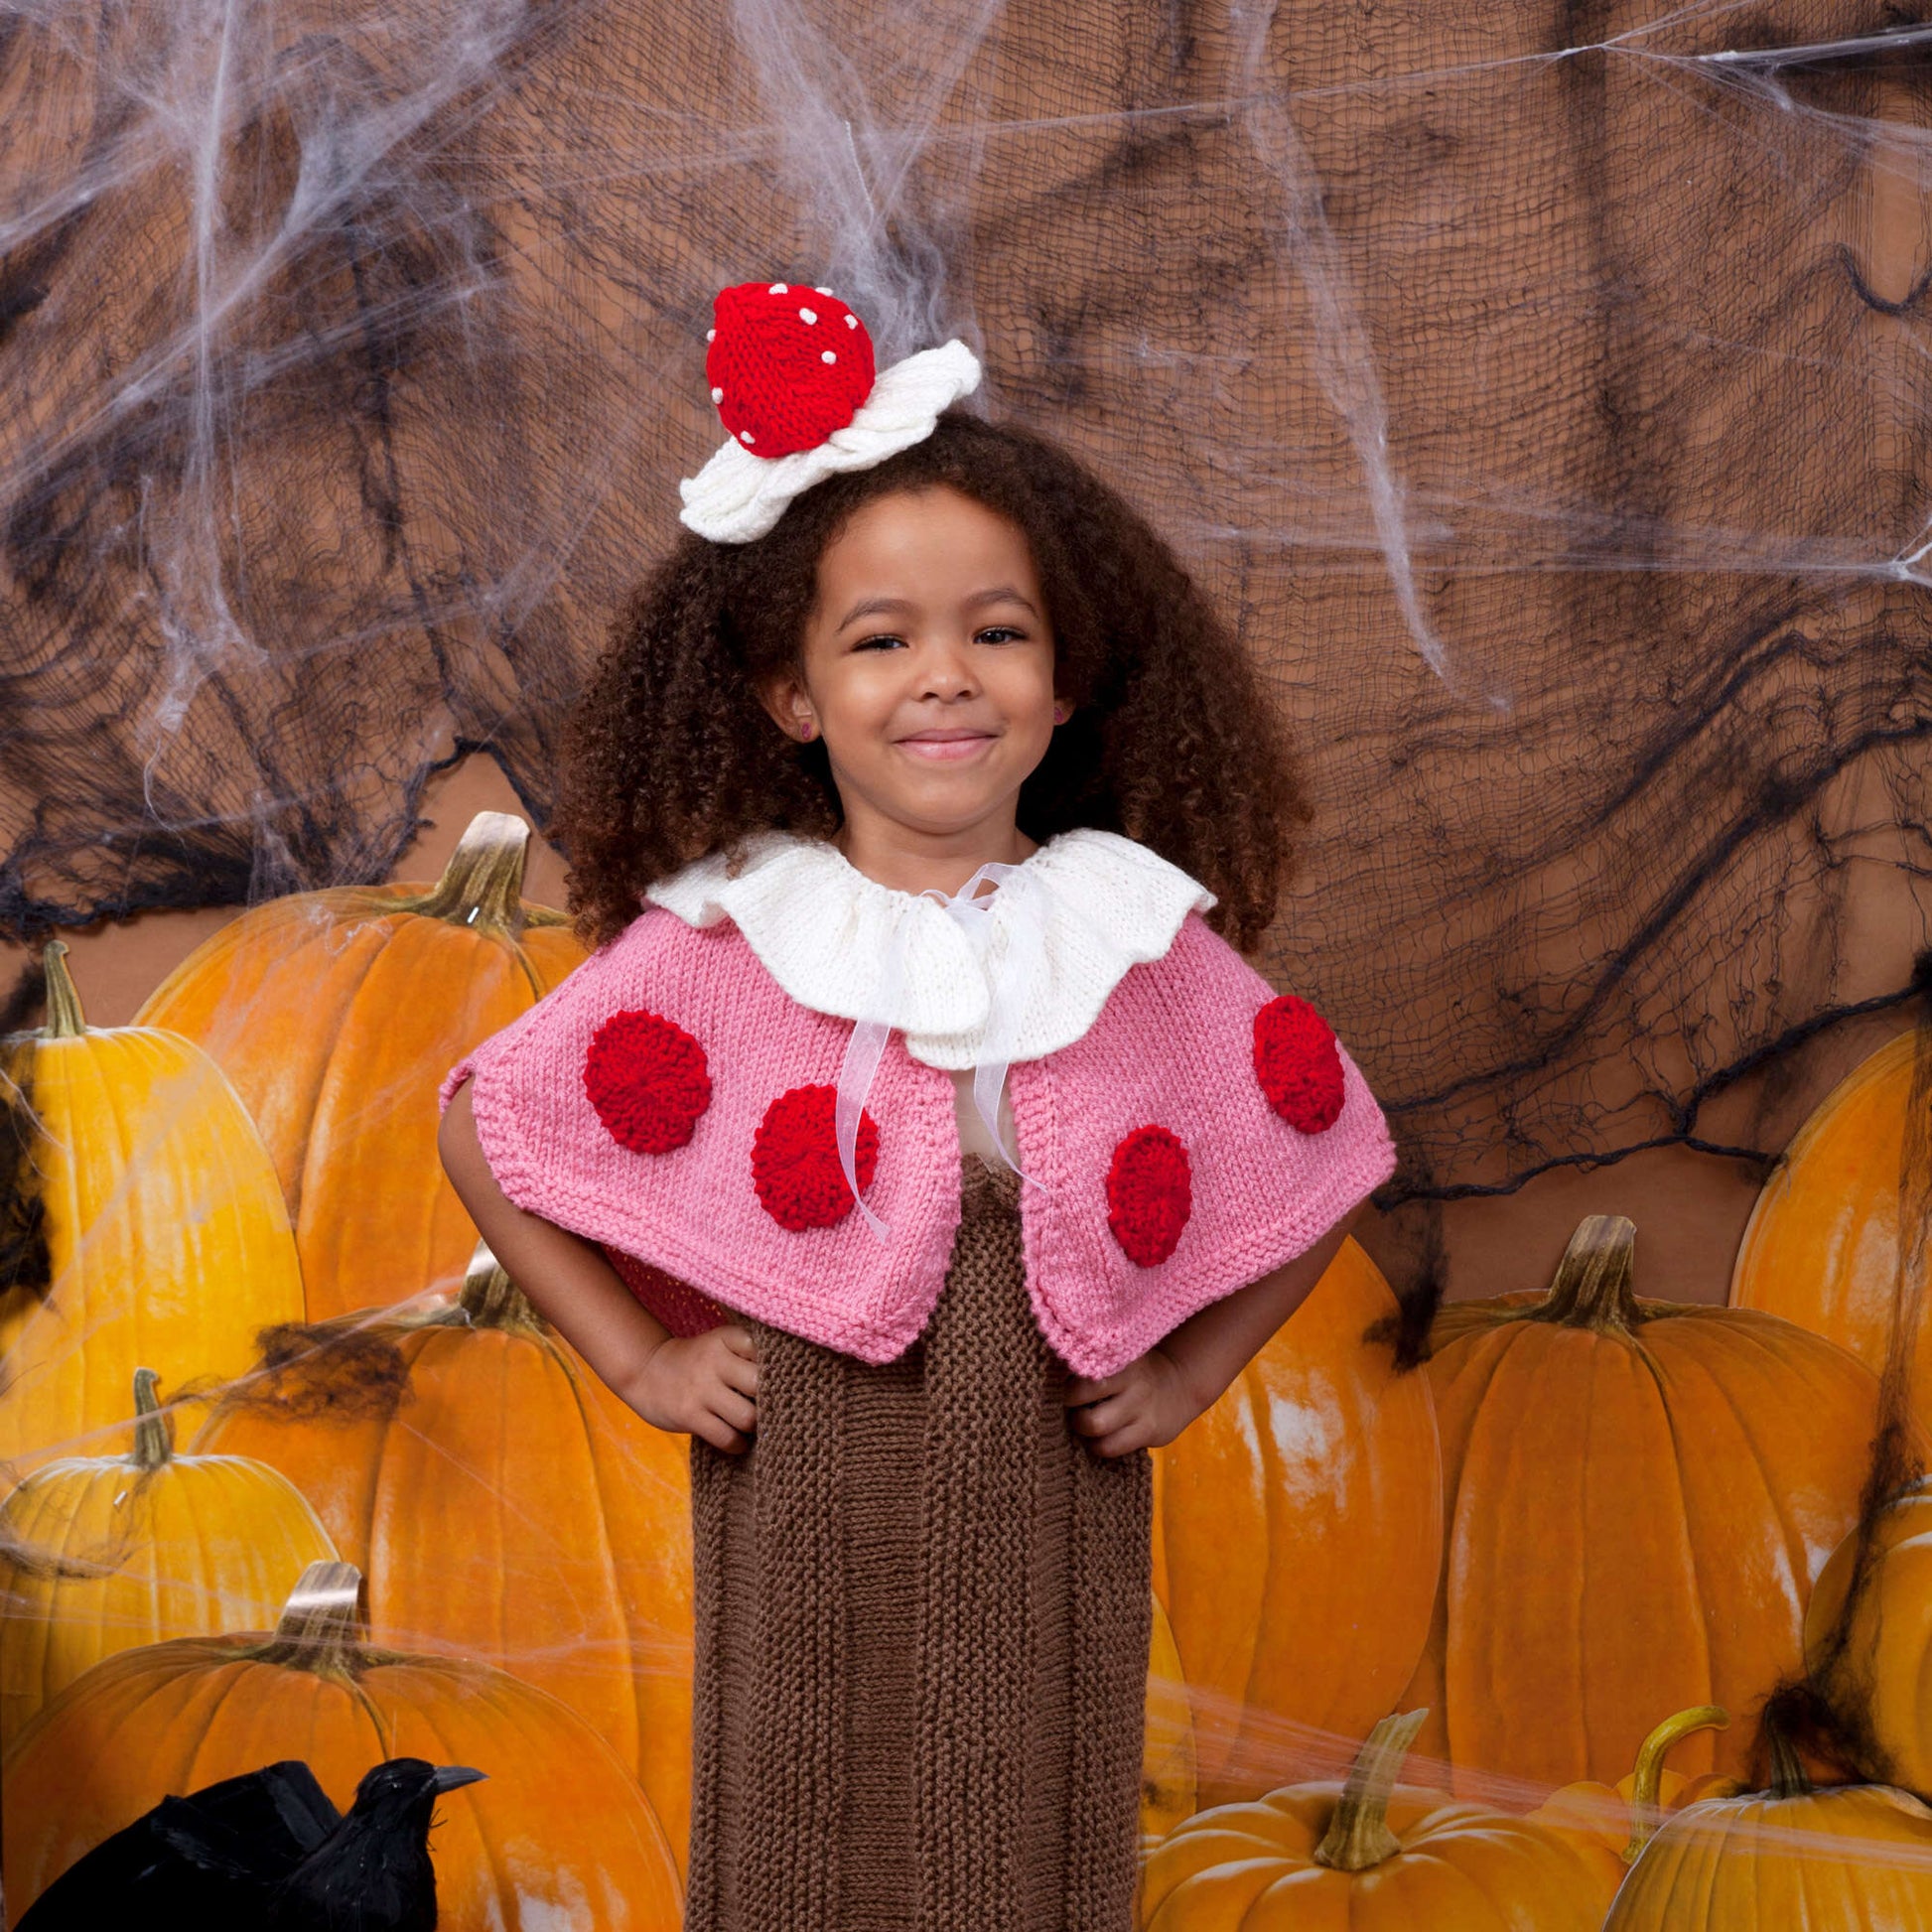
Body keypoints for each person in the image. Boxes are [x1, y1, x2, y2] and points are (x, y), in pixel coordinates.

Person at [436, 280, 1396, 1932]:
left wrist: (1189, 1370)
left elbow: (1320, 1155)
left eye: (995, 633)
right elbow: (489, 1124)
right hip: (806, 1476)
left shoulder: (1122, 932)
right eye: (880, 640)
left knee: (1018, 1818)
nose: (943, 678)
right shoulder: (740, 936)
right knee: (806, 1807)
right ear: (792, 695)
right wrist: (645, 1361)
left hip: (1042, 1488)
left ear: (1065, 678)